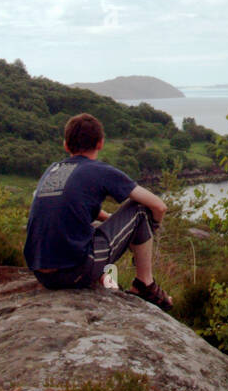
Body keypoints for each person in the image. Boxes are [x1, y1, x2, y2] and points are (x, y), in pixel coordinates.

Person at [24, 112, 173, 310]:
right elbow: (158, 206)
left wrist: (114, 222)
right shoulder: (100, 170)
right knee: (139, 209)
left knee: (89, 228)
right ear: (101, 143)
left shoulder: (54, 170)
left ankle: (104, 278)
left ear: (66, 145)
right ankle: (145, 284)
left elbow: (73, 210)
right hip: (74, 272)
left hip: (42, 274)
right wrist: (150, 227)